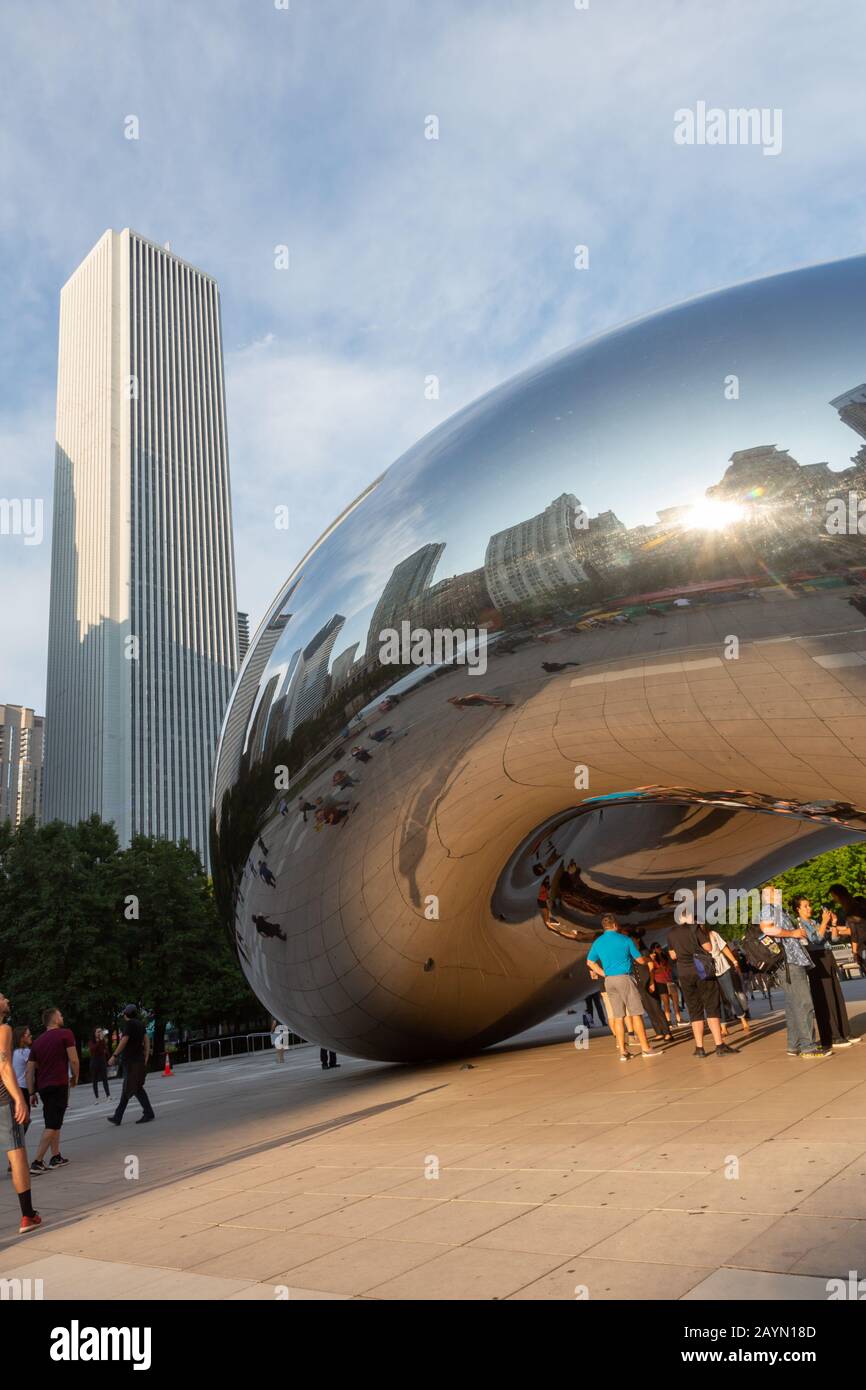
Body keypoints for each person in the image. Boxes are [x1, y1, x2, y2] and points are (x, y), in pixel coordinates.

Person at [759, 885, 826, 1059]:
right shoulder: (768, 909)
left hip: (789, 962)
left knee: (793, 1005)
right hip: (790, 963)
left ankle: (794, 1045)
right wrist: (792, 933)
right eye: (774, 891)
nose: (778, 893)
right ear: (767, 896)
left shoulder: (777, 910)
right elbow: (766, 928)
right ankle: (808, 1047)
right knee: (804, 1003)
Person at [586, 916, 661, 1062]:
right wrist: (649, 960)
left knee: (618, 1016)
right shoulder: (625, 939)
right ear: (615, 925)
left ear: (604, 927)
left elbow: (590, 962)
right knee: (636, 1014)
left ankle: (623, 1051)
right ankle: (646, 1048)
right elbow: (639, 960)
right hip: (624, 978)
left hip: (609, 981)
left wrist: (604, 973)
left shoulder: (598, 942)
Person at [791, 894, 858, 1050]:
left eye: (809, 905)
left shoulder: (814, 922)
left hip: (827, 957)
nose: (809, 908)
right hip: (817, 961)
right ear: (798, 909)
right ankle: (832, 1036)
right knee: (825, 999)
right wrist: (824, 922)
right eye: (805, 906)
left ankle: (844, 1032)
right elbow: (815, 939)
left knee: (836, 995)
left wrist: (833, 923)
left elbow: (833, 939)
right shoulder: (799, 924)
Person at [666, 916, 737, 1058]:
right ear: (688, 917)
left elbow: (673, 955)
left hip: (684, 974)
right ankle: (719, 1045)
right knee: (711, 1007)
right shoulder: (695, 928)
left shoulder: (671, 933)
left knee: (694, 1010)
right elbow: (708, 947)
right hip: (702, 972)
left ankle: (699, 1048)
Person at [0, 993, 40, 1232]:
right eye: (2, 998)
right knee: (17, 1157)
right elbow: (4, 1066)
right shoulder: (3, 1029)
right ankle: (28, 1215)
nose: (6, 1000)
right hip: (2, 1100)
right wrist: (19, 1100)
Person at [26, 1006, 79, 1173]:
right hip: (59, 1084)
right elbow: (74, 1059)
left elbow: (29, 1070)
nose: (62, 1016)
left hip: (43, 1087)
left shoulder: (37, 1042)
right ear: (55, 1019)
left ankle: (55, 1156)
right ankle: (37, 1161)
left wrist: (31, 1092)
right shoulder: (66, 1034)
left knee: (54, 1121)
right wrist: (75, 1077)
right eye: (60, 1014)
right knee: (53, 1124)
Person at [106, 1005, 155, 1126]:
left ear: (126, 1014)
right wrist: (147, 1054)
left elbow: (124, 1041)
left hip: (131, 1061)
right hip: (138, 1060)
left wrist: (114, 1055)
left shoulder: (129, 1025)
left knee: (129, 1087)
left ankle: (120, 1116)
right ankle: (122, 1116)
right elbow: (146, 1039)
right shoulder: (139, 1024)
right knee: (135, 1087)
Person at [705, 929, 751, 1036]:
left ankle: (743, 1019)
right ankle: (723, 1027)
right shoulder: (696, 938)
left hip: (723, 967)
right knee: (718, 1000)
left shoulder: (713, 934)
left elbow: (724, 947)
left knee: (731, 996)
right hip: (709, 971)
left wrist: (734, 961)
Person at [631, 935, 671, 1041]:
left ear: (638, 939)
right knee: (648, 1009)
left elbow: (651, 968)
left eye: (632, 939)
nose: (630, 942)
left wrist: (652, 982)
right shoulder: (630, 954)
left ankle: (667, 1032)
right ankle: (658, 1032)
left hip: (649, 981)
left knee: (656, 1007)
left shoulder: (644, 952)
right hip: (639, 985)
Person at [649, 945, 682, 1028]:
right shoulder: (652, 959)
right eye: (657, 947)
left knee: (675, 1001)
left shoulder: (664, 957)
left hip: (669, 980)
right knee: (666, 1003)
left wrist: (666, 967)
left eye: (659, 946)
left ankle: (679, 1020)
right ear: (653, 949)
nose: (659, 948)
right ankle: (668, 1021)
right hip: (660, 982)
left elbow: (669, 968)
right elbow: (652, 970)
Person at [89, 1027, 110, 1102]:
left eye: (100, 1031)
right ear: (94, 1033)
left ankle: (108, 1096)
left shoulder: (102, 1040)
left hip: (102, 1061)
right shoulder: (91, 1041)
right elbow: (93, 1049)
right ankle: (97, 1098)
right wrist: (99, 1041)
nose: (99, 1033)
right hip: (94, 1062)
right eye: (98, 1031)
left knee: (105, 1079)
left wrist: (103, 1041)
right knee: (94, 1080)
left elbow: (105, 1051)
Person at [447, 694, 512, 710]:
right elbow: (460, 708)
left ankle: (506, 704)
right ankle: (498, 702)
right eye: (450, 701)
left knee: (491, 703)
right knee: (490, 703)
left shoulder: (459, 700)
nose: (451, 702)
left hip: (477, 701)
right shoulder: (457, 702)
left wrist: (479, 696)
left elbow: (472, 696)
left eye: (450, 700)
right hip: (476, 702)